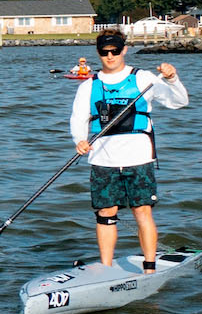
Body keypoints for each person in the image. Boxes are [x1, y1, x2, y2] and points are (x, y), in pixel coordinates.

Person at [72, 31, 187, 270]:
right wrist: (80, 140)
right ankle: (105, 269)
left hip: (138, 157)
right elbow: (78, 118)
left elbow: (179, 102)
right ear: (98, 53)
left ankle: (149, 267)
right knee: (105, 213)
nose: (110, 56)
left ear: (124, 50)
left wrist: (172, 79)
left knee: (142, 211)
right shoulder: (88, 85)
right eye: (104, 52)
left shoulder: (144, 78)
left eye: (115, 51)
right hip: (103, 159)